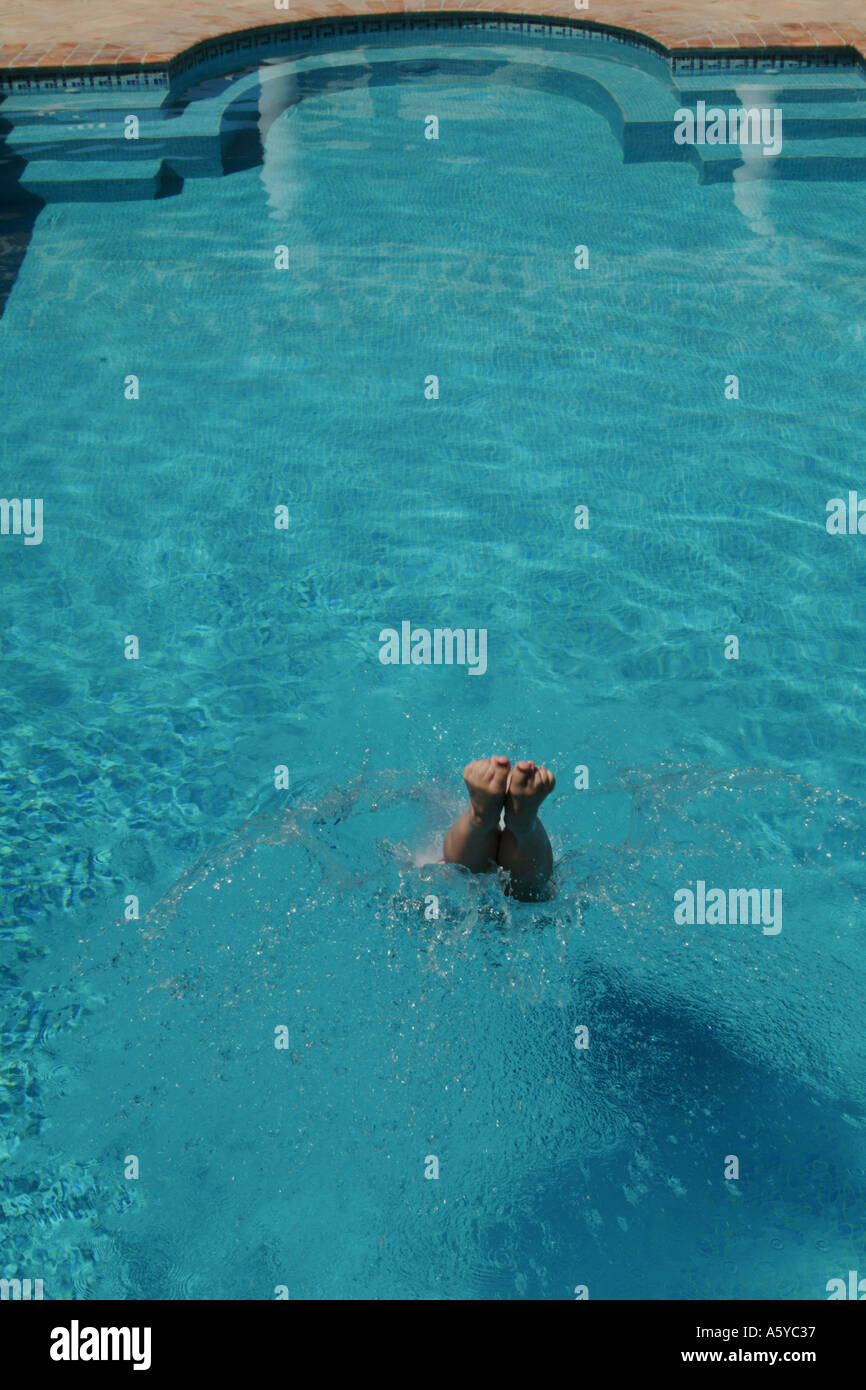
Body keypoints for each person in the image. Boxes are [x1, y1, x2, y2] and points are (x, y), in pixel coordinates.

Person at [443, 755, 555, 901]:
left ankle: (479, 818)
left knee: (457, 876)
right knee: (533, 890)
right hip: (532, 903)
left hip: (459, 900)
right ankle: (523, 823)